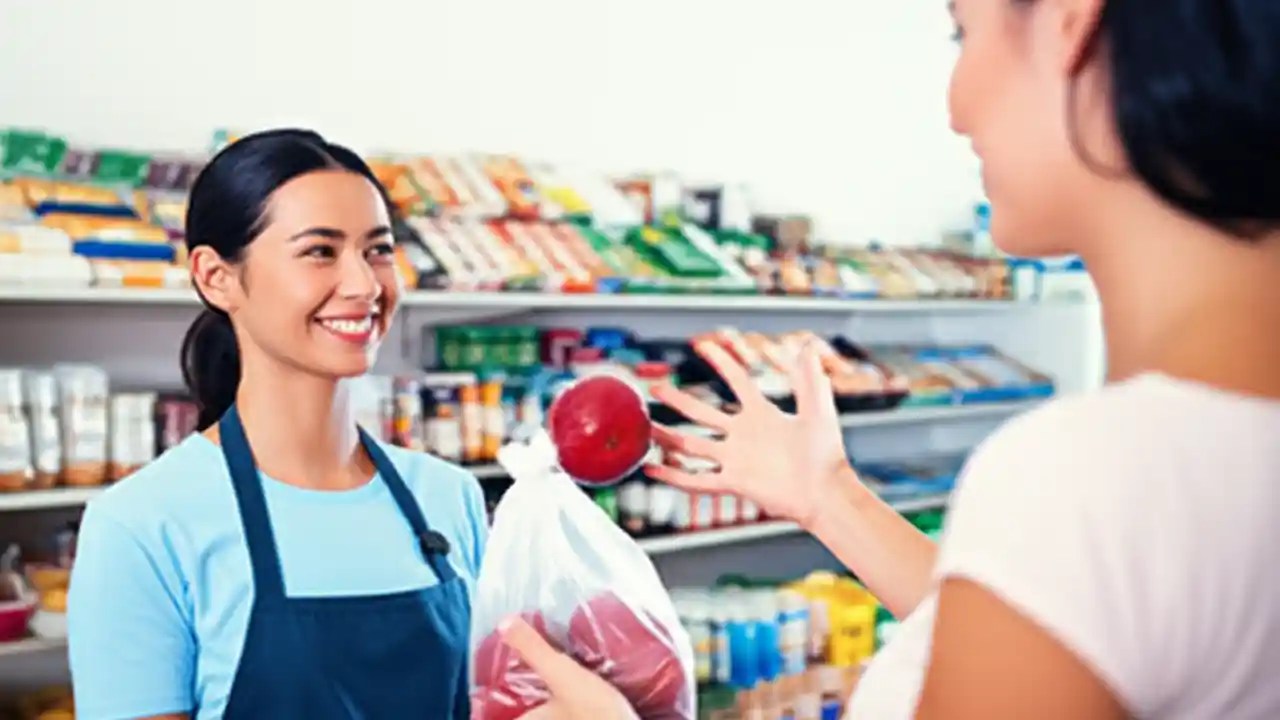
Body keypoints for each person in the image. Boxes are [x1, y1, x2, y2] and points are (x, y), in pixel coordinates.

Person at [503, 0, 1280, 717]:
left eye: (962, 33)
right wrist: (830, 498)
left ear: (1070, 23)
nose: (954, 108)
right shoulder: (1196, 455)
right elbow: (1079, 616)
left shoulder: (1085, 475)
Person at [67, 129, 487, 719]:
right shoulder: (144, 525)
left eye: (378, 249)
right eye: (320, 250)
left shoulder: (450, 499)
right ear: (217, 277)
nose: (365, 285)